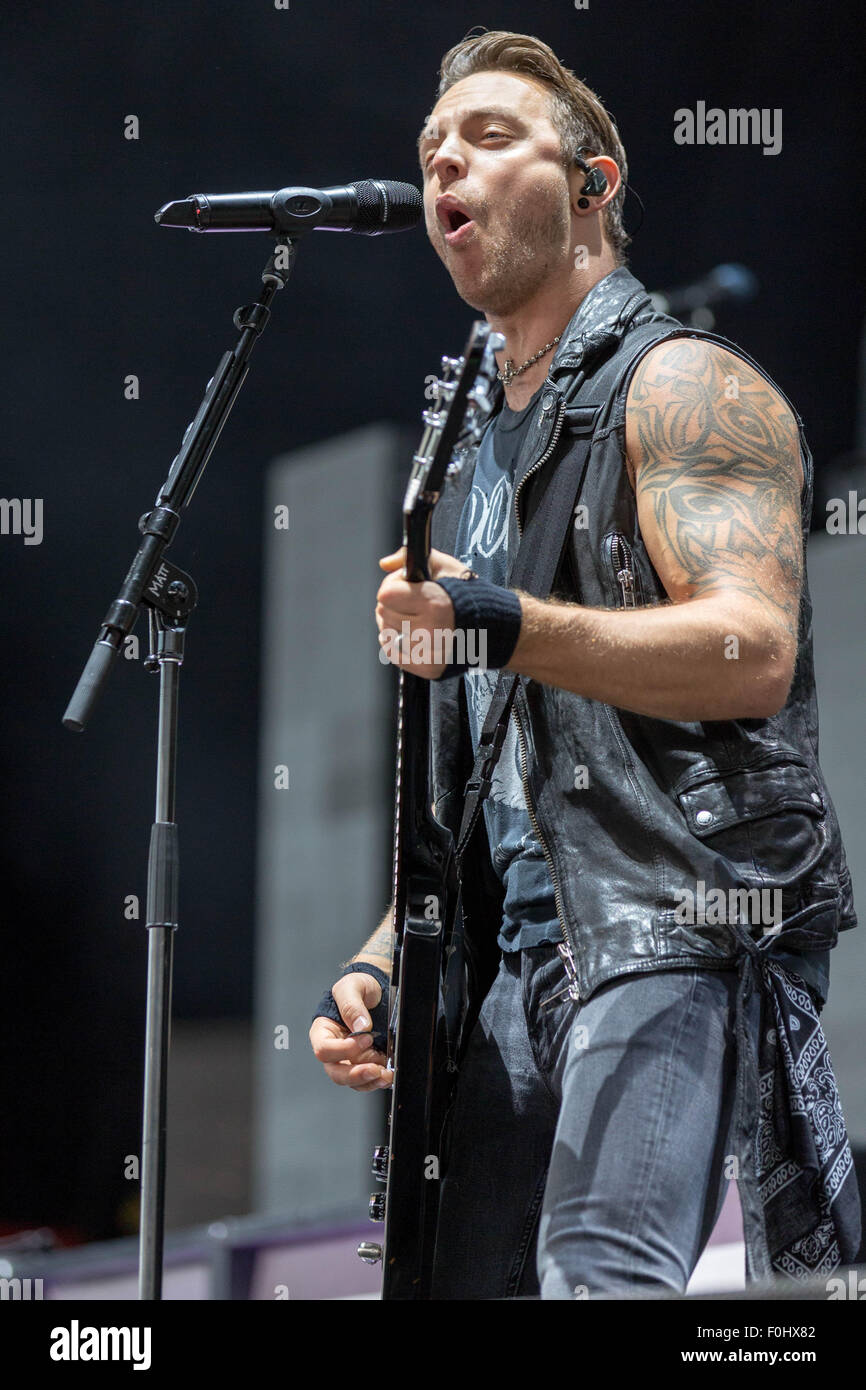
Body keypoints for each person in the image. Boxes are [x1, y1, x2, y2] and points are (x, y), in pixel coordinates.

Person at [309, 29, 860, 1298]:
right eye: (432, 148)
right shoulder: (467, 470)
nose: (447, 160)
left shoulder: (681, 386)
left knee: (598, 1274)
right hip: (512, 972)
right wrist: (389, 956)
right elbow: (498, 779)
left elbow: (749, 650)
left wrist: (501, 620)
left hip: (671, 921)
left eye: (491, 137)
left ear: (593, 186)